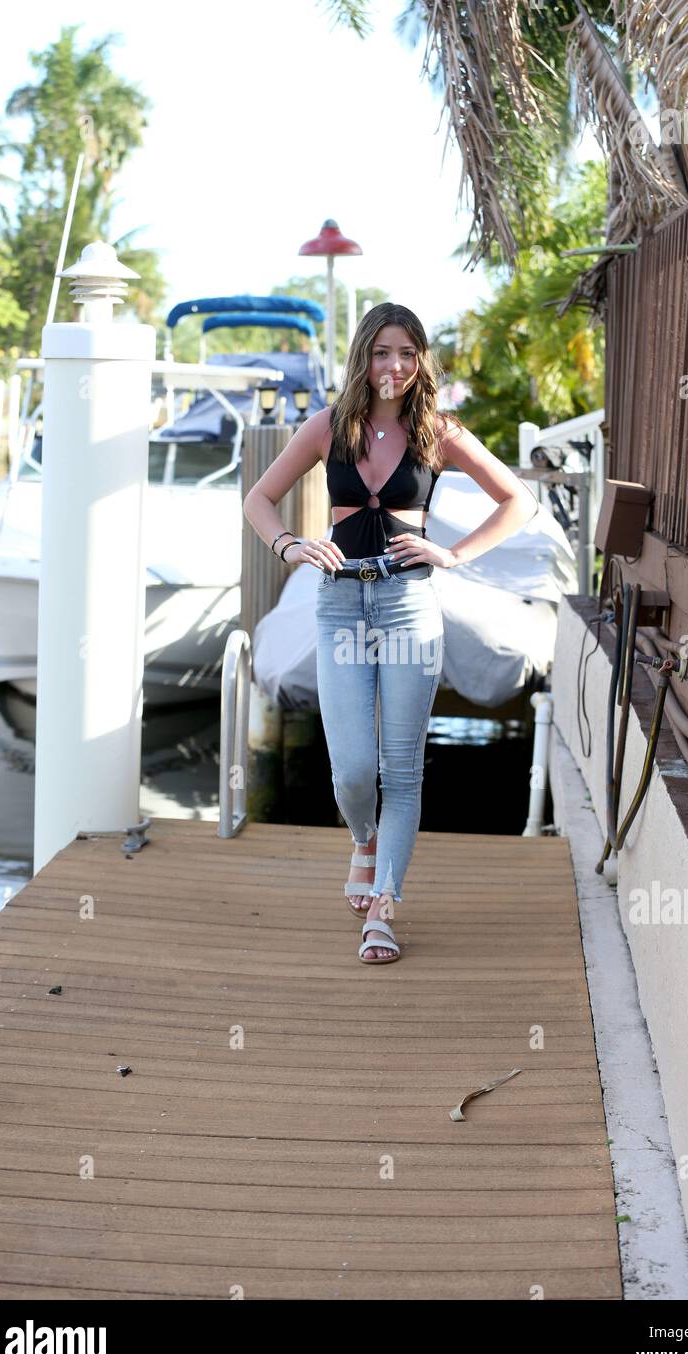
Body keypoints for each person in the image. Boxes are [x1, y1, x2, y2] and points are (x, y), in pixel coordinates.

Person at [243, 303, 537, 963]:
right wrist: (290, 545)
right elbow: (258, 499)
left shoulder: (436, 430)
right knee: (351, 771)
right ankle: (363, 839)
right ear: (363, 358)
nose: (395, 366)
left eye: (407, 353)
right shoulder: (328, 427)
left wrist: (454, 555)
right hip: (341, 604)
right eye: (382, 352)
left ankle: (384, 908)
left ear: (420, 360)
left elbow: (519, 499)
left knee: (400, 769)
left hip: (408, 605)